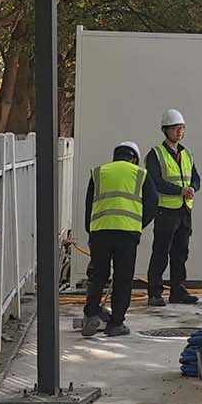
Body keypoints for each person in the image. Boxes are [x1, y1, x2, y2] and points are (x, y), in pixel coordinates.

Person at [81, 141, 156, 338]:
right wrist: (137, 224)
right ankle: (116, 324)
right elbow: (153, 204)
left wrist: (90, 231)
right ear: (135, 158)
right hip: (127, 234)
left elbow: (89, 204)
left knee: (98, 275)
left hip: (100, 231)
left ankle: (91, 313)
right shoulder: (141, 174)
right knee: (123, 278)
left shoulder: (99, 172)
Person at [146, 107, 201, 306]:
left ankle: (178, 290)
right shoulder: (156, 154)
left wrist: (192, 188)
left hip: (184, 211)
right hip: (166, 211)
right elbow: (155, 182)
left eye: (181, 128)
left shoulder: (186, 154)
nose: (179, 131)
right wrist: (180, 190)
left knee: (180, 253)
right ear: (165, 130)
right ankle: (155, 292)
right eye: (175, 128)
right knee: (161, 252)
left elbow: (196, 178)